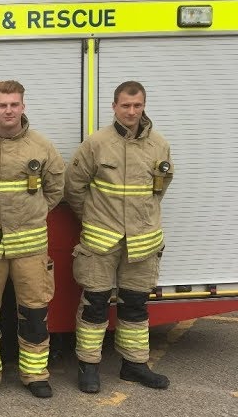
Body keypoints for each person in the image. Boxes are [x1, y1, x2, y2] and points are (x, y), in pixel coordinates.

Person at [65, 80, 174, 393]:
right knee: (95, 304)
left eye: (137, 105)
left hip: (143, 240)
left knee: (136, 306)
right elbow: (74, 186)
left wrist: (142, 216)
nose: (131, 111)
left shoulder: (159, 144)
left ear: (143, 106)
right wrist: (93, 217)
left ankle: (135, 365)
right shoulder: (96, 143)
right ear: (114, 107)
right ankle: (88, 367)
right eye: (125, 105)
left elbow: (161, 186)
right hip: (101, 240)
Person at [0, 81, 66, 400]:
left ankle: (35, 374)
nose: (9, 110)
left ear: (23, 107)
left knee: (34, 313)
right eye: (3, 105)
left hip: (30, 247)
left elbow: (55, 189)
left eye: (14, 104)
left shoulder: (42, 146)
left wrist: (30, 216)